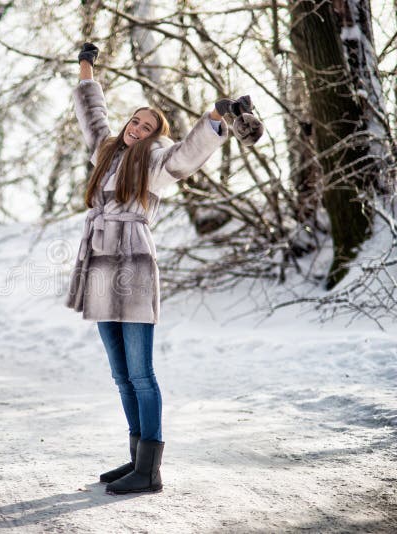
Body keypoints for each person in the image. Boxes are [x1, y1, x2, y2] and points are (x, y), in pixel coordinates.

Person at [65, 43, 263, 495]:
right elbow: (92, 115)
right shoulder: (105, 151)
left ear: (156, 135)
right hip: (99, 265)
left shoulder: (154, 161)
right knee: (119, 374)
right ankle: (137, 458)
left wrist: (216, 119)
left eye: (147, 126)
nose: (136, 128)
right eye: (135, 120)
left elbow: (185, 157)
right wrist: (87, 67)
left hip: (132, 266)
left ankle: (150, 470)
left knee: (141, 373)